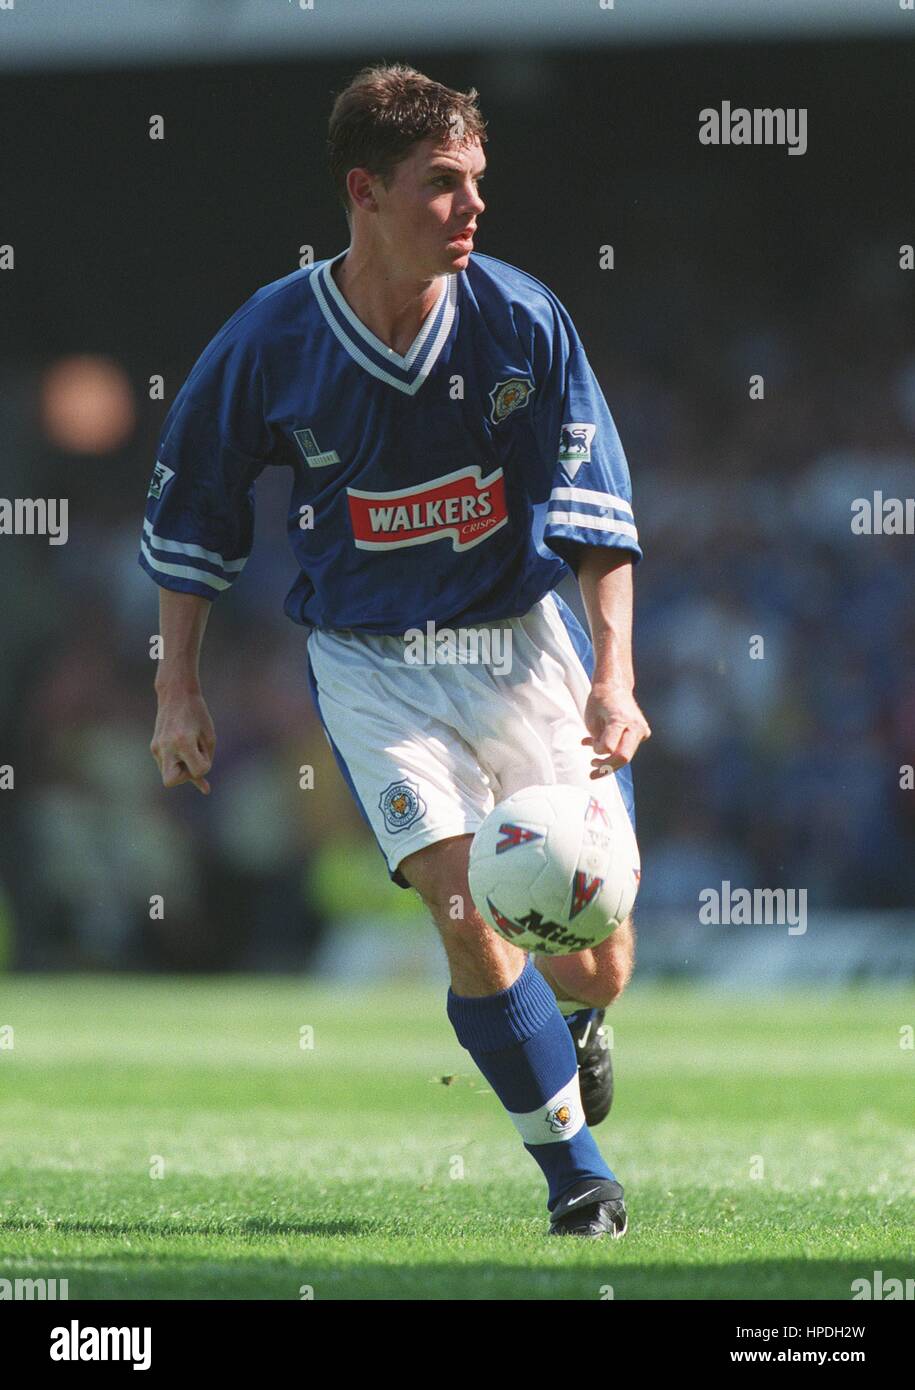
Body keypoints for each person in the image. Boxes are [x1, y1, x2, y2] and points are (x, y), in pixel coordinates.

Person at [141, 63, 651, 1238]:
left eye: (478, 183)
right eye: (443, 187)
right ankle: (577, 1175)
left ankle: (573, 1023)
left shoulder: (524, 320)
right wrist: (177, 690)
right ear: (364, 193)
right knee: (466, 909)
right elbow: (193, 521)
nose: (472, 208)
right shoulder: (268, 342)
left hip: (523, 647)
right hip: (373, 662)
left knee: (596, 958)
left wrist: (615, 672)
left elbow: (599, 520)